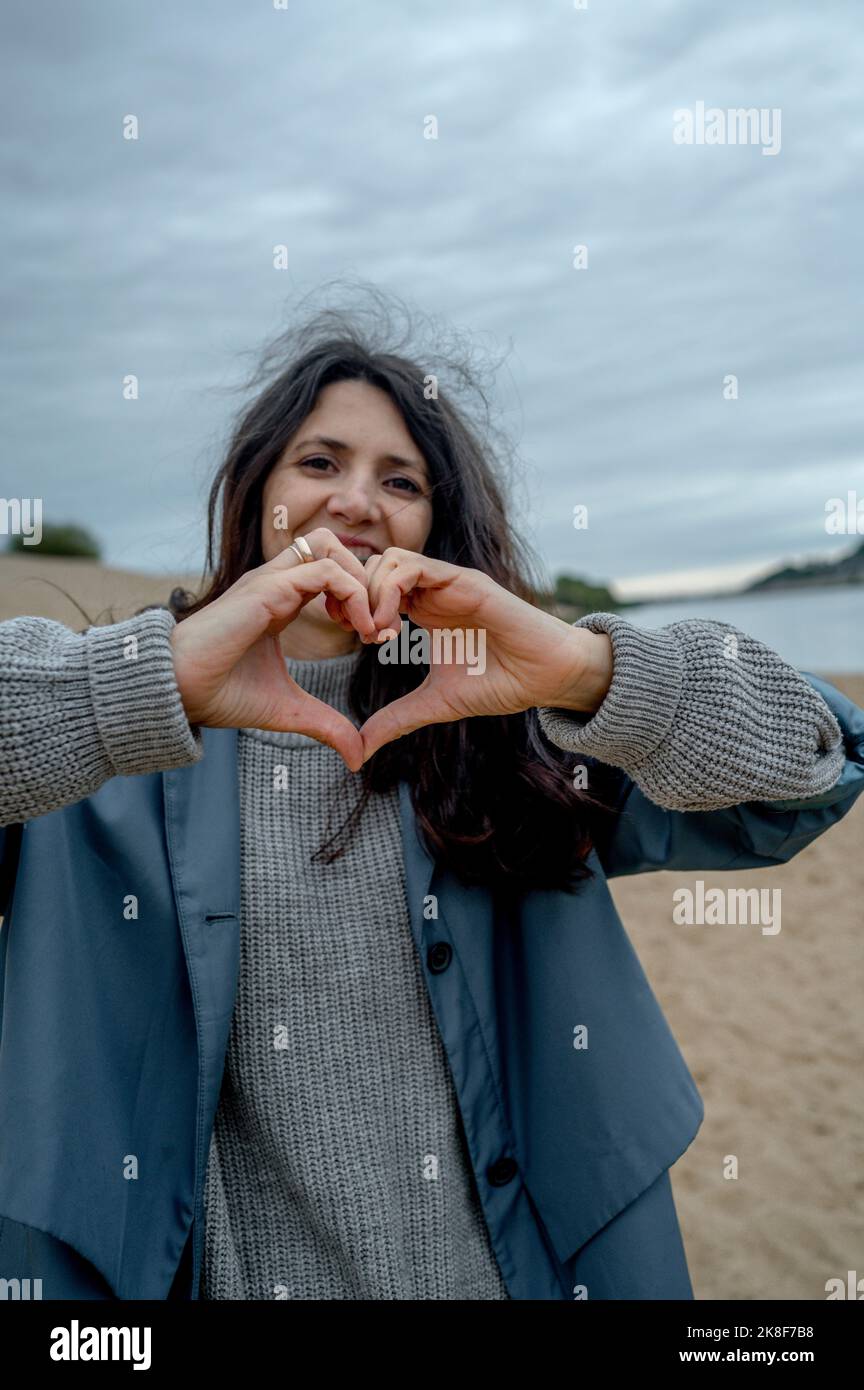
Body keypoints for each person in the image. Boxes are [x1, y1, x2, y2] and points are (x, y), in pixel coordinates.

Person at [1, 301, 862, 1302]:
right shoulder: (106, 742)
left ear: (434, 525)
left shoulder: (507, 727)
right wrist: (137, 690)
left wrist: (589, 670)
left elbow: (817, 763)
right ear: (257, 493)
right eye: (319, 463)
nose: (356, 501)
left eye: (399, 480)